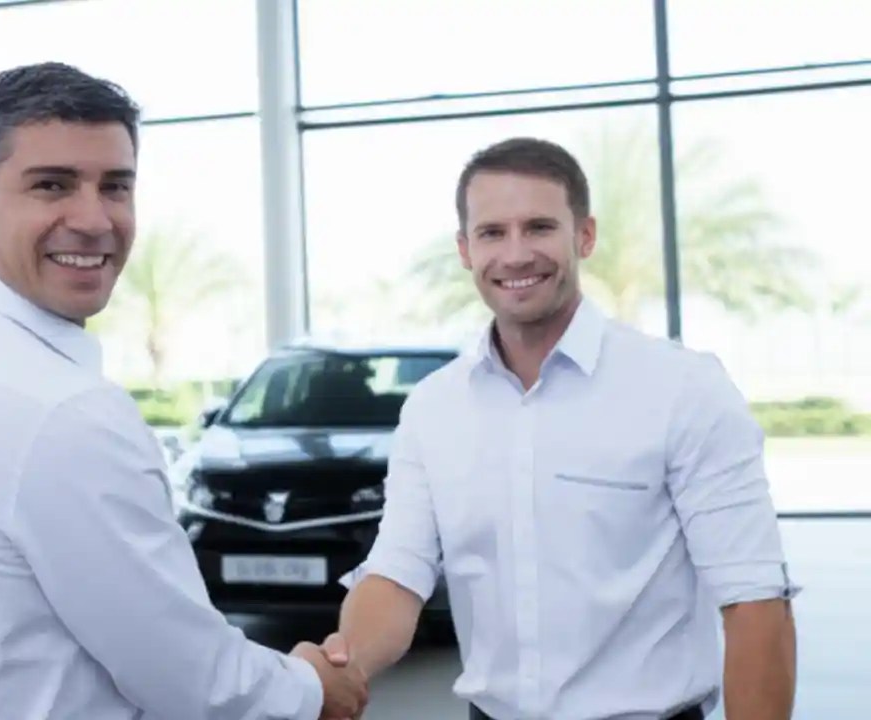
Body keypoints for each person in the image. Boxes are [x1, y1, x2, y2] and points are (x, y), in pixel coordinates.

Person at [0, 62, 367, 720]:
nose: (94, 220)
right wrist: (314, 687)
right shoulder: (64, 412)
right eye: (52, 185)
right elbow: (192, 678)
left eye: (115, 186)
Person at [318, 137, 799, 719]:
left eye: (539, 227)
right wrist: (341, 664)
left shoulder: (684, 389)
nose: (516, 255)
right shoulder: (432, 408)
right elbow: (397, 572)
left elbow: (753, 602)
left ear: (585, 235)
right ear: (466, 249)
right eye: (493, 232)